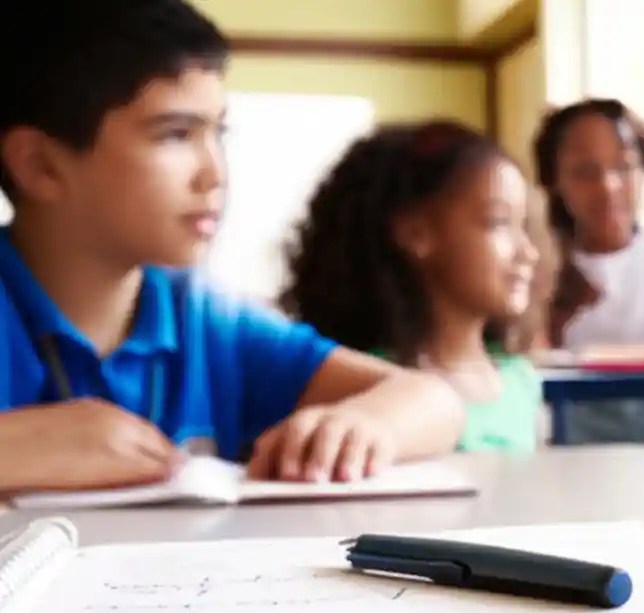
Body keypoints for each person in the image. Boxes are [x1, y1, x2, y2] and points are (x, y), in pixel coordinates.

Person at [0, 0, 464, 494]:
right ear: (40, 166)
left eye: (216, 133)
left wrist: (367, 426)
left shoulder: (205, 321)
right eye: (175, 135)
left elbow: (434, 400)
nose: (215, 173)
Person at [279, 121, 543, 453]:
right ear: (416, 233)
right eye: (498, 223)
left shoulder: (520, 380)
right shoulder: (365, 383)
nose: (528, 252)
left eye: (525, 226)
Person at [532, 98, 644, 448]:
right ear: (553, 181)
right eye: (585, 172)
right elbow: (534, 360)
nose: (608, 186)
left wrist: (589, 357)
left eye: (624, 167)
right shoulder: (542, 263)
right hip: (570, 444)